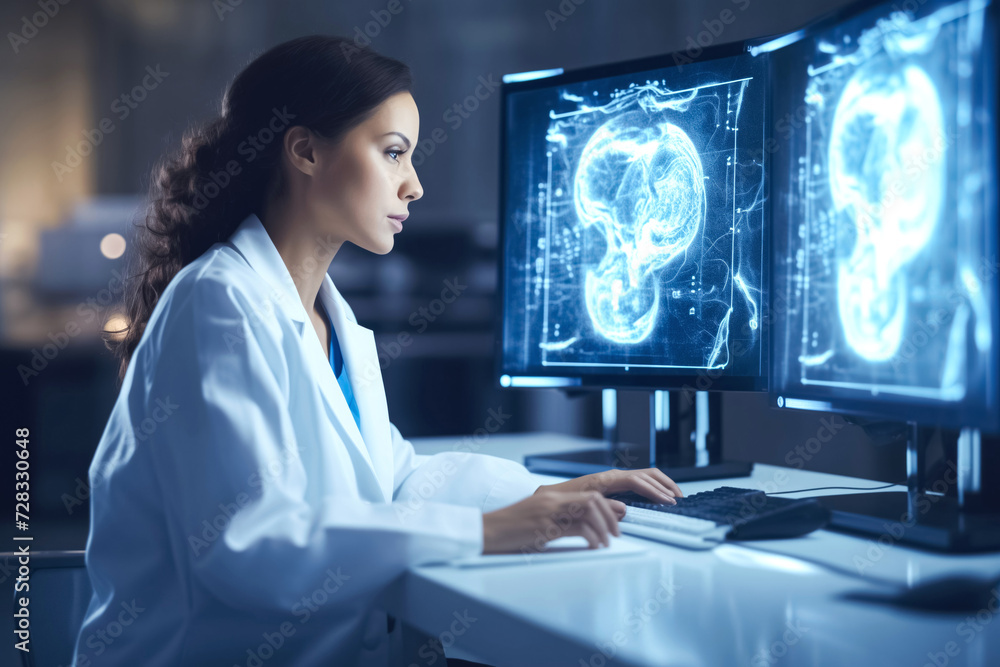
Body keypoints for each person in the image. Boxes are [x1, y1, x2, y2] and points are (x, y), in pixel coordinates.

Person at [73, 35, 683, 666]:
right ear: (306, 151)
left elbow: (394, 479)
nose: (413, 185)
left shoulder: (329, 318)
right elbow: (249, 546)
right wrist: (485, 531)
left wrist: (545, 496)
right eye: (394, 153)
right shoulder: (218, 302)